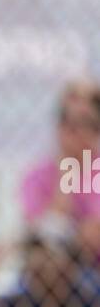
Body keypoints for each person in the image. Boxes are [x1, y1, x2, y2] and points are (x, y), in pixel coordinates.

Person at [20, 80, 100, 268]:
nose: (73, 131)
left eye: (84, 122)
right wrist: (65, 173)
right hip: (51, 273)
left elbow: (94, 238)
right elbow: (45, 238)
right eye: (66, 120)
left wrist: (66, 233)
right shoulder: (37, 175)